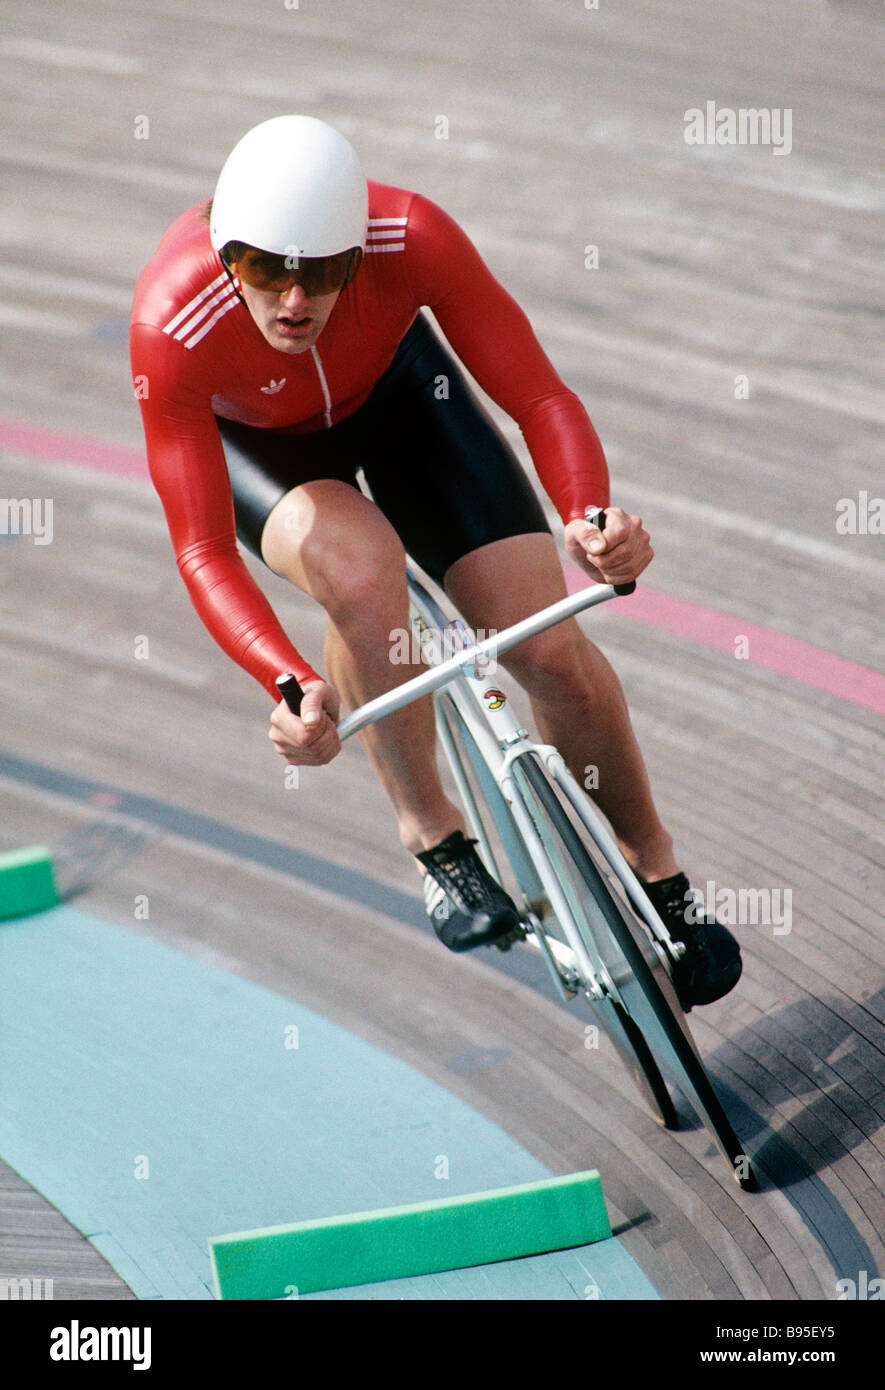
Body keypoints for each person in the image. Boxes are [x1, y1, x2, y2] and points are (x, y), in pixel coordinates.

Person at [130, 114, 741, 1009]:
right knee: (362, 573)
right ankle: (435, 837)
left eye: (324, 272)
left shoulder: (411, 236)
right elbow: (202, 548)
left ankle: (661, 877)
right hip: (264, 448)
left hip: (405, 393)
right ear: (227, 257)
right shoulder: (170, 323)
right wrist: (290, 686)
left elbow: (537, 392)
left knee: (547, 648)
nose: (293, 302)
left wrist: (588, 515)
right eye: (266, 271)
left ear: (358, 254)